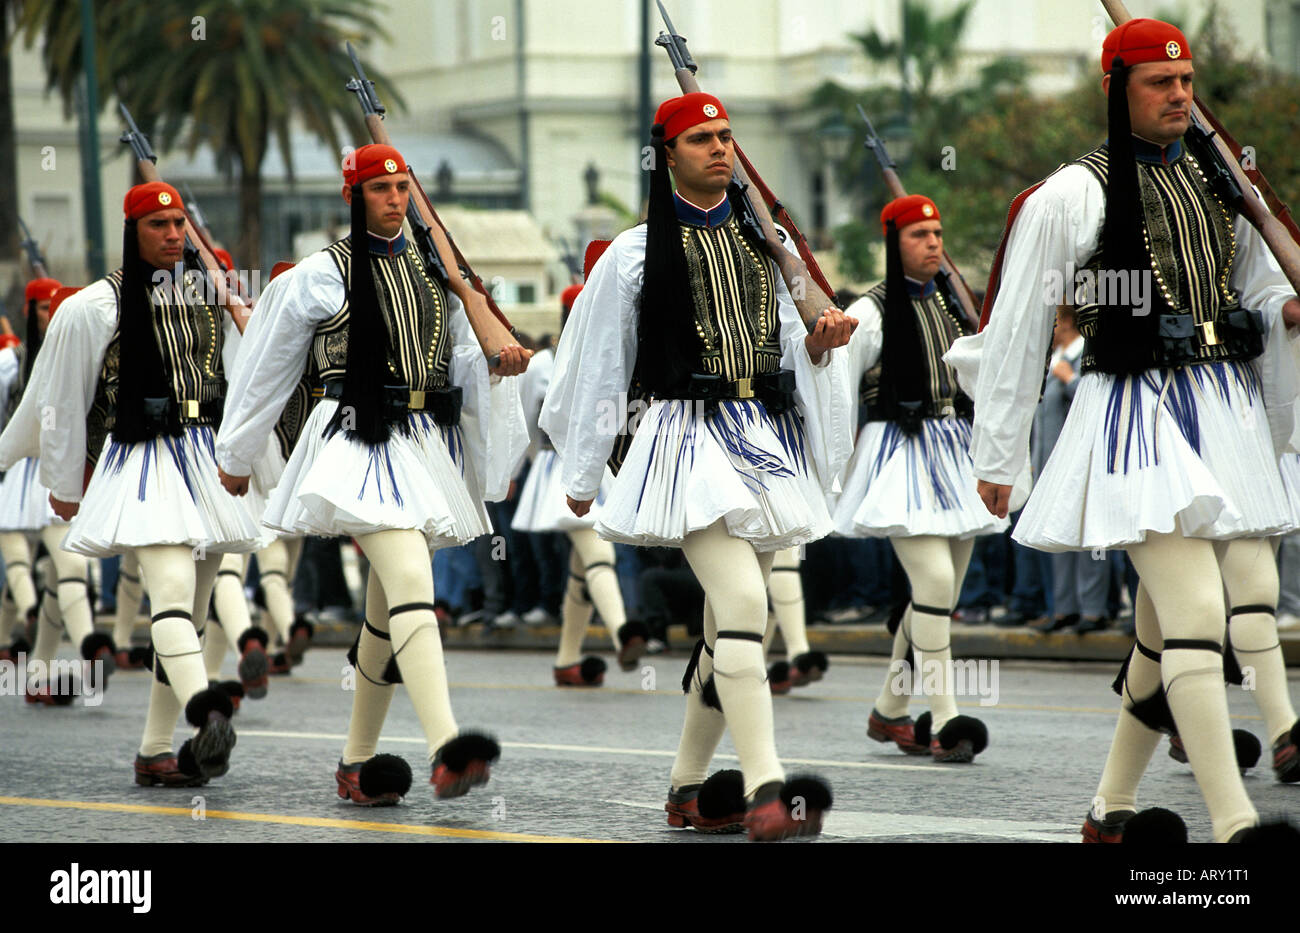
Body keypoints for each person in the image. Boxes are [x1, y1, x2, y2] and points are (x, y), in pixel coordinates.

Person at [949, 19, 1300, 842]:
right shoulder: (1074, 192)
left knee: (1158, 634)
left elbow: (1255, 295)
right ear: (1118, 92)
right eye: (1159, 83)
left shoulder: (1222, 186)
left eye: (1185, 83)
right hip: (1135, 416)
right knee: (1196, 617)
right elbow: (1017, 329)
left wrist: (1285, 312)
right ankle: (1235, 822)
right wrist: (999, 453)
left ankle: (1110, 810)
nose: (1179, 95)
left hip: (1221, 408)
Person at [541, 93, 855, 840]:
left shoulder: (766, 240)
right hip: (686, 440)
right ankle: (769, 787)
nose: (720, 148)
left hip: (762, 435)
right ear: (668, 155)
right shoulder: (633, 251)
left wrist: (821, 342)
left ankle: (687, 785)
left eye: (726, 136)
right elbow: (600, 368)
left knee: (729, 631)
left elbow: (787, 343)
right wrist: (584, 474)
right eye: (702, 138)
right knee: (748, 605)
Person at [215, 144, 529, 806]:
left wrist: (498, 361)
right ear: (352, 197)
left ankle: (357, 763)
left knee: (386, 612)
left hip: (420, 441)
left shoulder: (434, 271)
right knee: (413, 576)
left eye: (400, 188)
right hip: (356, 440)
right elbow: (265, 370)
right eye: (380, 187)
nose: (394, 197)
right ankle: (448, 746)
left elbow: (459, 365)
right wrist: (238, 457)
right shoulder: (316, 275)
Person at [0, 182, 262, 783]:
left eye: (178, 227)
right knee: (169, 590)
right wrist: (64, 480)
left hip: (202, 458)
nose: (173, 236)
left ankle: (153, 750)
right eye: (157, 227)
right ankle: (208, 714)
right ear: (132, 232)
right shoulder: (95, 305)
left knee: (191, 614)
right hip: (141, 459)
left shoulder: (205, 296)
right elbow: (61, 402)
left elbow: (243, 386)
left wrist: (248, 461)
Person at [834, 195, 1003, 763]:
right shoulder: (871, 310)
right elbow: (837, 390)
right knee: (932, 586)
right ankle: (948, 716)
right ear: (892, 243)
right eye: (918, 234)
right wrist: (833, 467)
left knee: (940, 593)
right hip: (898, 453)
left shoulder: (954, 308)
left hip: (953, 450)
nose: (933, 242)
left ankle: (889, 710)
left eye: (937, 233)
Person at [512, 280, 647, 686]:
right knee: (595, 549)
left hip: (594, 466)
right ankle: (623, 630)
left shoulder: (608, 354)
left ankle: (567, 660)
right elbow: (524, 419)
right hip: (559, 466)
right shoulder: (543, 363)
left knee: (581, 567)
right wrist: (521, 468)